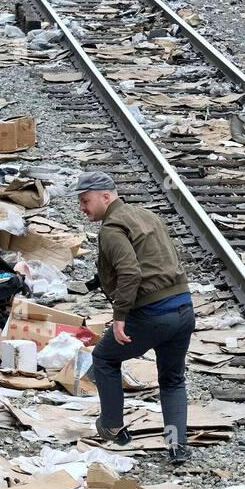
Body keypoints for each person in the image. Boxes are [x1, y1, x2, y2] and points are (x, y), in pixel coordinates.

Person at [76, 171, 195, 464]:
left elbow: (130, 271)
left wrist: (119, 316)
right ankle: (176, 446)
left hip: (153, 314)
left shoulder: (111, 228)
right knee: (172, 380)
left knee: (104, 358)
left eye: (85, 201)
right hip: (183, 308)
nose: (82, 208)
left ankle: (113, 425)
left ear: (106, 196)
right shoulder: (146, 215)